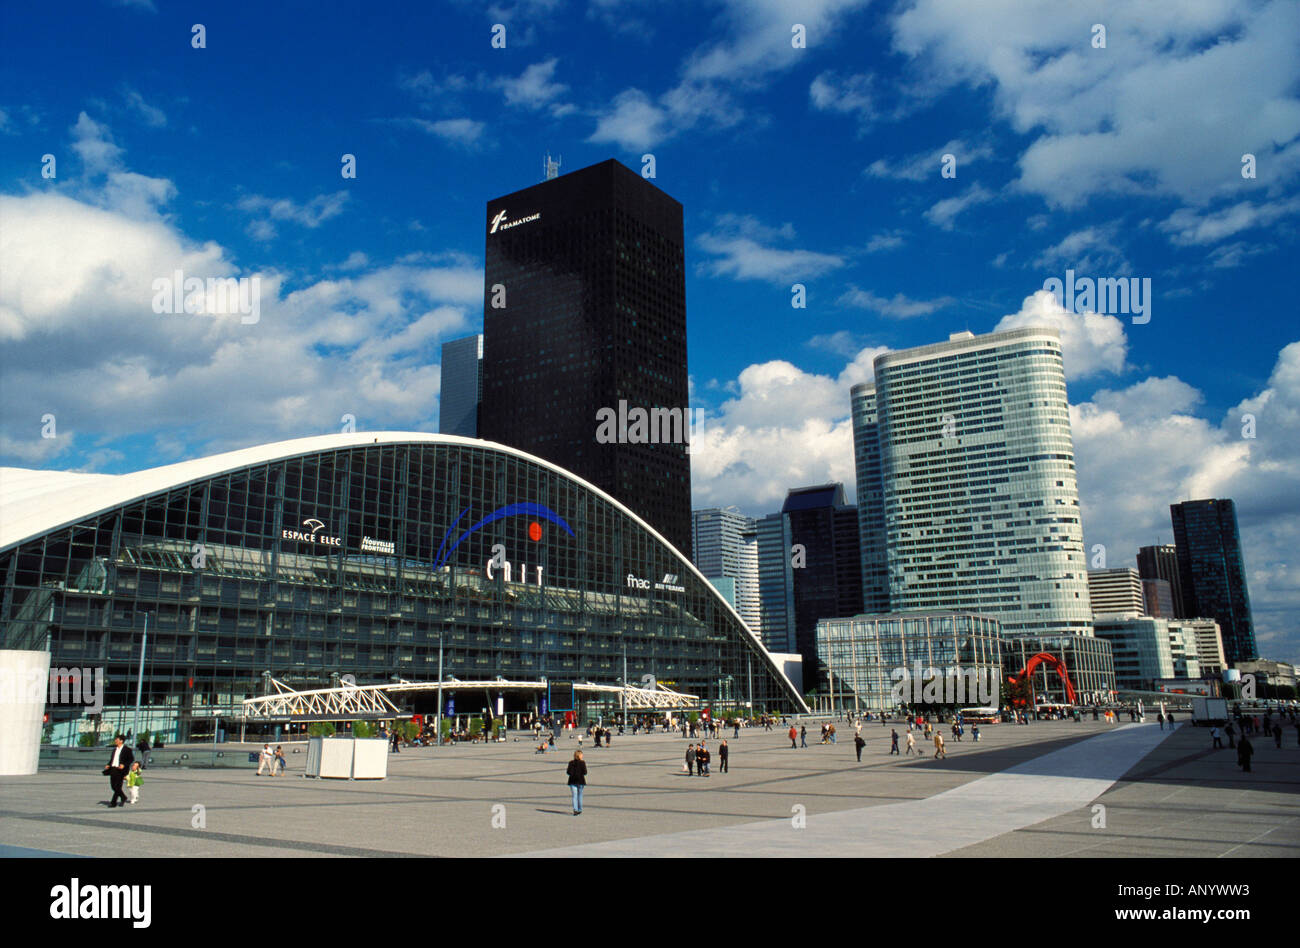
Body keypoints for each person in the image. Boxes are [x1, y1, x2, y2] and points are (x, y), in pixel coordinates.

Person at [104, 735, 134, 808]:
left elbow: (131, 759)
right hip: (113, 769)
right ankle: (123, 797)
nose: (115, 741)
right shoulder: (115, 749)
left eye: (117, 739)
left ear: (121, 741)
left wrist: (124, 765)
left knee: (117, 786)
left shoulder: (127, 749)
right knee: (113, 786)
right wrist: (108, 764)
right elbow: (112, 759)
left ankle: (113, 802)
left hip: (121, 770)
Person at [567, 750, 587, 815]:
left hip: (572, 780)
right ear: (579, 755)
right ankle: (579, 809)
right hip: (580, 780)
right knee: (580, 795)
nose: (582, 756)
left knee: (574, 796)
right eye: (582, 755)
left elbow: (568, 772)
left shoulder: (570, 762)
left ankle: (575, 809)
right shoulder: (582, 763)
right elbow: (585, 772)